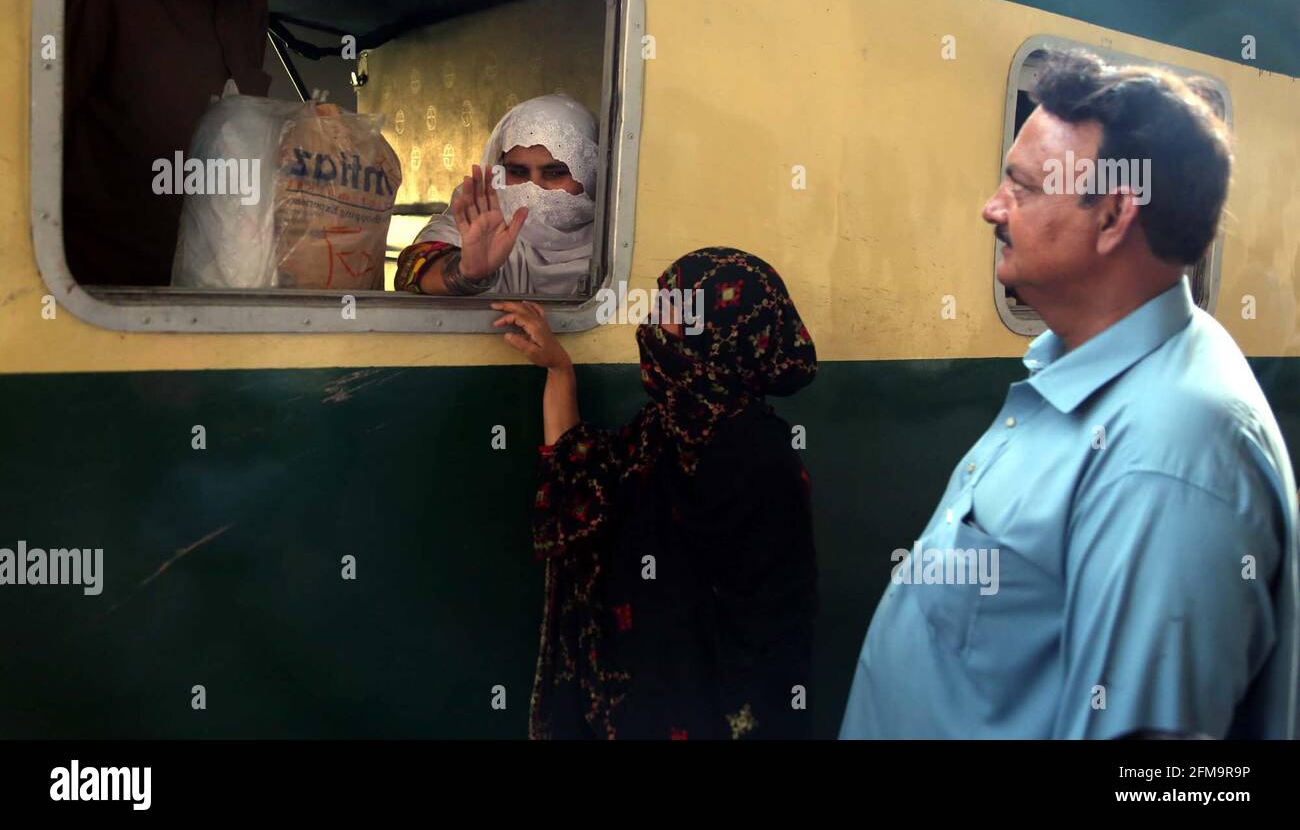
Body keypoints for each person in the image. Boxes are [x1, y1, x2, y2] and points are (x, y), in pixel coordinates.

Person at [839, 50, 1299, 739]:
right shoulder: (1083, 368)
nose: (991, 206)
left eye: (1022, 188)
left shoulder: (1169, 458)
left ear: (1113, 215)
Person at [491, 248, 819, 738]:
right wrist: (560, 370)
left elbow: (769, 637)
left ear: (722, 334)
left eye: (671, 314)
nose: (651, 326)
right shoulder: (664, 427)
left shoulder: (765, 461)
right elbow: (581, 477)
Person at [63, 0, 270, 286]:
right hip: (104, 280)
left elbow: (244, 123)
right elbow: (35, 128)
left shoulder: (249, 0)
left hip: (216, 273)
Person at [394, 94, 598, 297]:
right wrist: (466, 272)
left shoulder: (620, 239)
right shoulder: (484, 216)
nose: (534, 187)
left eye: (555, 173)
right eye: (518, 172)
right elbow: (414, 270)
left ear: (592, 174)